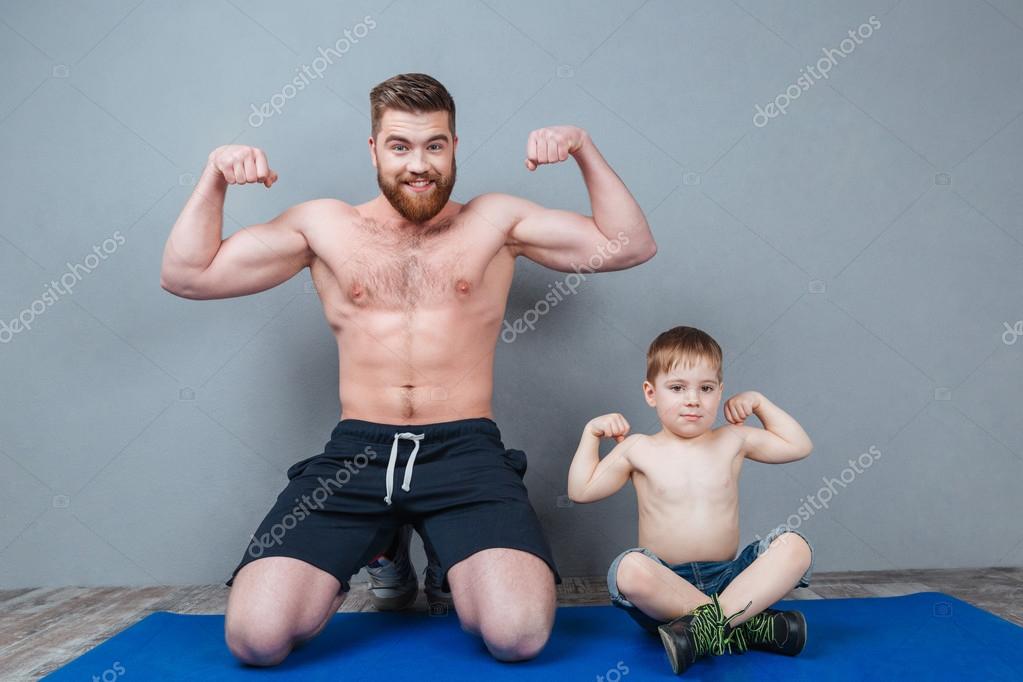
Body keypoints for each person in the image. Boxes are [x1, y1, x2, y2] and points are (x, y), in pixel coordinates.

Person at [159, 73, 657, 666]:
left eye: (435, 145)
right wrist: (215, 175)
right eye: (400, 145)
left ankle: (447, 550)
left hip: (465, 452)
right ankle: (387, 541)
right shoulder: (324, 226)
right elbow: (187, 275)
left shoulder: (495, 222)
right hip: (356, 457)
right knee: (256, 640)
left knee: (517, 635)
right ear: (373, 148)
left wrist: (581, 147)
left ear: (453, 144)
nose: (418, 164)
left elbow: (629, 244)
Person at [566, 326, 814, 675]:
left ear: (720, 392)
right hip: (665, 590)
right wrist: (591, 434)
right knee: (628, 568)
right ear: (651, 394)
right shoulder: (639, 448)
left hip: (731, 579)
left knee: (794, 545)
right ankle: (745, 625)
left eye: (706, 388)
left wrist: (759, 402)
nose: (693, 399)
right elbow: (581, 490)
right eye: (678, 388)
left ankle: (701, 630)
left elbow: (798, 445)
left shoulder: (733, 439)